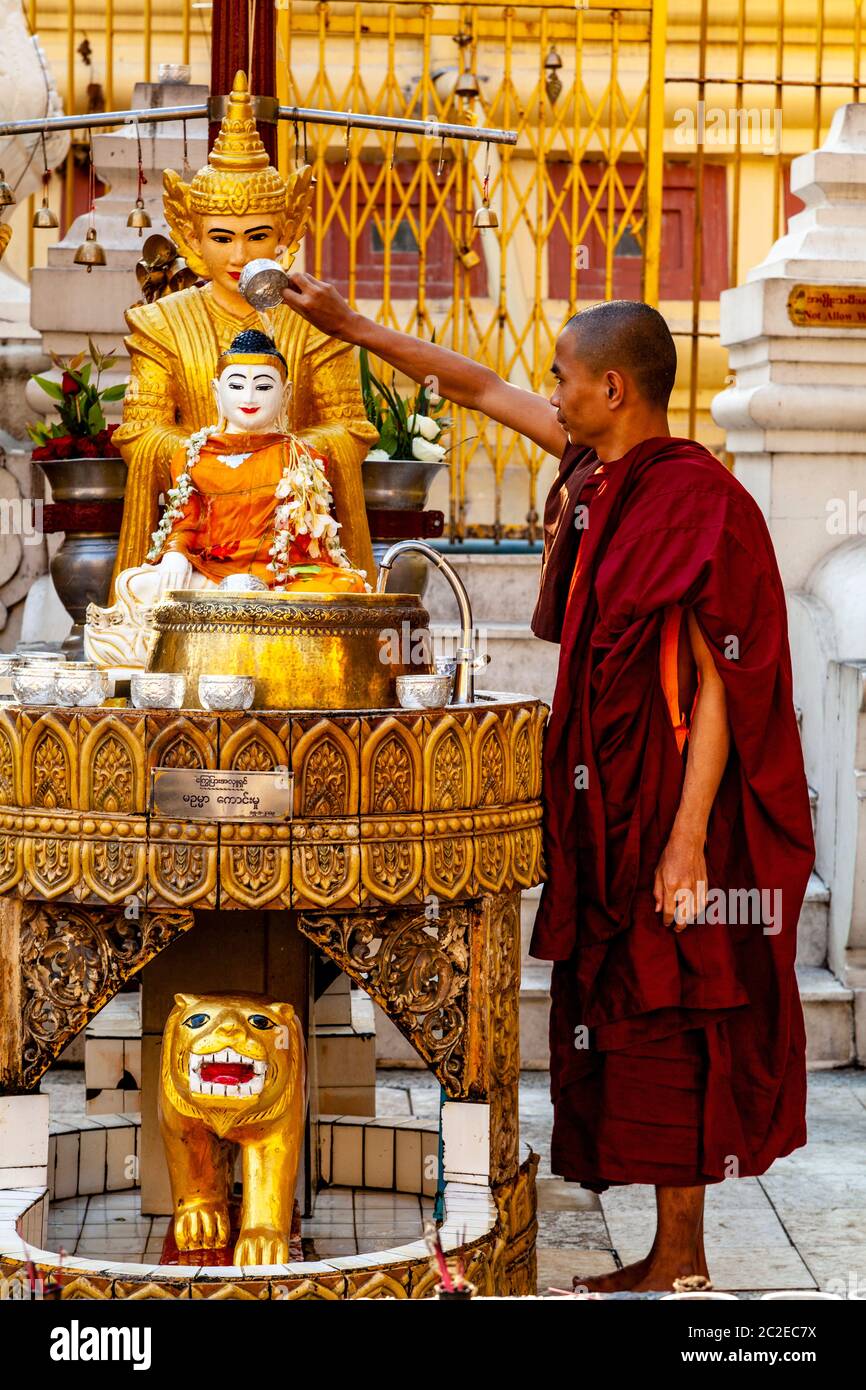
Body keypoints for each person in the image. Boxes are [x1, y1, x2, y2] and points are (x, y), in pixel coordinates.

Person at [280, 272, 814, 1292]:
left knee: (670, 1012)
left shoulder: (696, 500)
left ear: (613, 388)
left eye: (563, 377)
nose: (548, 389)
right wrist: (349, 326)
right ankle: (668, 1255)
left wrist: (687, 839)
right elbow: (477, 388)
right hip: (600, 794)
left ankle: (683, 1261)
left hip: (667, 794)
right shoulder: (596, 467)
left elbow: (719, 683)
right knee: (616, 1002)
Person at [109, 70, 377, 599]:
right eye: (221, 238)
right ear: (190, 235)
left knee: (328, 592)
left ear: (288, 232)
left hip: (293, 535)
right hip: (199, 526)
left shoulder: (317, 320)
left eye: (258, 237)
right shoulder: (160, 322)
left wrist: (279, 457)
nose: (239, 257)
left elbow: (349, 429)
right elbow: (140, 434)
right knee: (148, 588)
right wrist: (218, 461)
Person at [85, 328, 367, 669]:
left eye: (263, 386)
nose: (249, 396)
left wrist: (272, 575)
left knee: (343, 587)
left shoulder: (301, 456)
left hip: (277, 577)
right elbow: (184, 521)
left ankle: (216, 628)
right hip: (209, 573)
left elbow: (310, 544)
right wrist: (175, 554)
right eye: (236, 385)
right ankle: (233, 621)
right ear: (217, 392)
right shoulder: (193, 456)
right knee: (135, 583)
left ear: (286, 393)